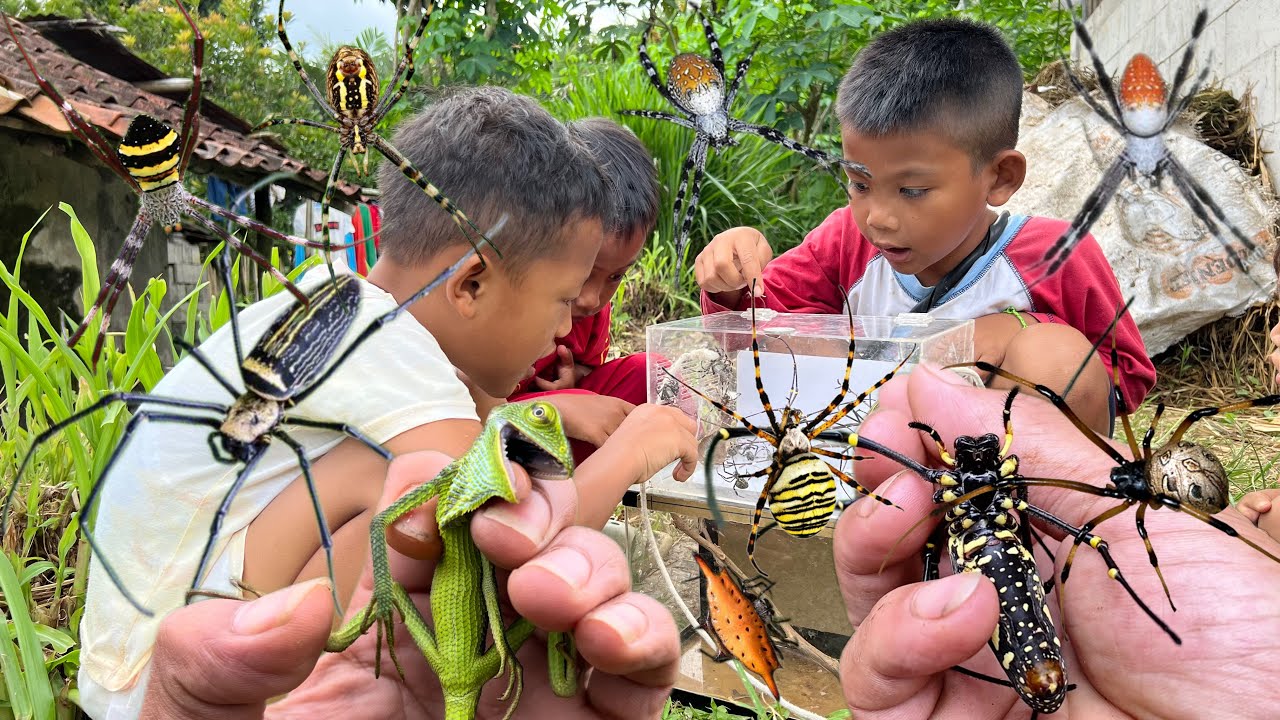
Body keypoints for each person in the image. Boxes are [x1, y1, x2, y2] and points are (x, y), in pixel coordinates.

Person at [78, 87, 696, 718]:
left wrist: (554, 409)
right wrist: (629, 453)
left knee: (430, 466)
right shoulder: (390, 346)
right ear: (471, 283)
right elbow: (511, 533)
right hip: (180, 678)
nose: (568, 326)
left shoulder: (340, 304)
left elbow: (479, 417)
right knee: (420, 486)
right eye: (564, 297)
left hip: (134, 665)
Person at [693, 17, 1155, 435]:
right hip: (870, 456)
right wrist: (731, 277)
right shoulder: (844, 243)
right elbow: (753, 325)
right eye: (859, 183)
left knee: (1055, 357)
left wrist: (1019, 330)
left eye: (911, 190)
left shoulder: (1058, 255)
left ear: (1000, 177)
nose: (878, 217)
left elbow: (1124, 377)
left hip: (1002, 475)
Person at [835, 364, 1280, 718]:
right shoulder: (990, 479)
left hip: (994, 560)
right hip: (1002, 562)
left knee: (1089, 541)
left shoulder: (995, 480)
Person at [138, 451, 681, 719]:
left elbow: (384, 523)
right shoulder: (453, 472)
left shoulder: (476, 497)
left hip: (459, 666)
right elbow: (384, 522)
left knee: (552, 623)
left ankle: (559, 646)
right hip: (461, 665)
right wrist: (390, 595)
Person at [474, 117, 659, 466]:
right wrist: (550, 408)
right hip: (488, 434)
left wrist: (575, 380)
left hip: (553, 435)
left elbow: (591, 368)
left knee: (651, 373)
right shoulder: (498, 302)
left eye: (616, 276)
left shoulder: (591, 312)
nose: (590, 299)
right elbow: (466, 402)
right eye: (585, 273)